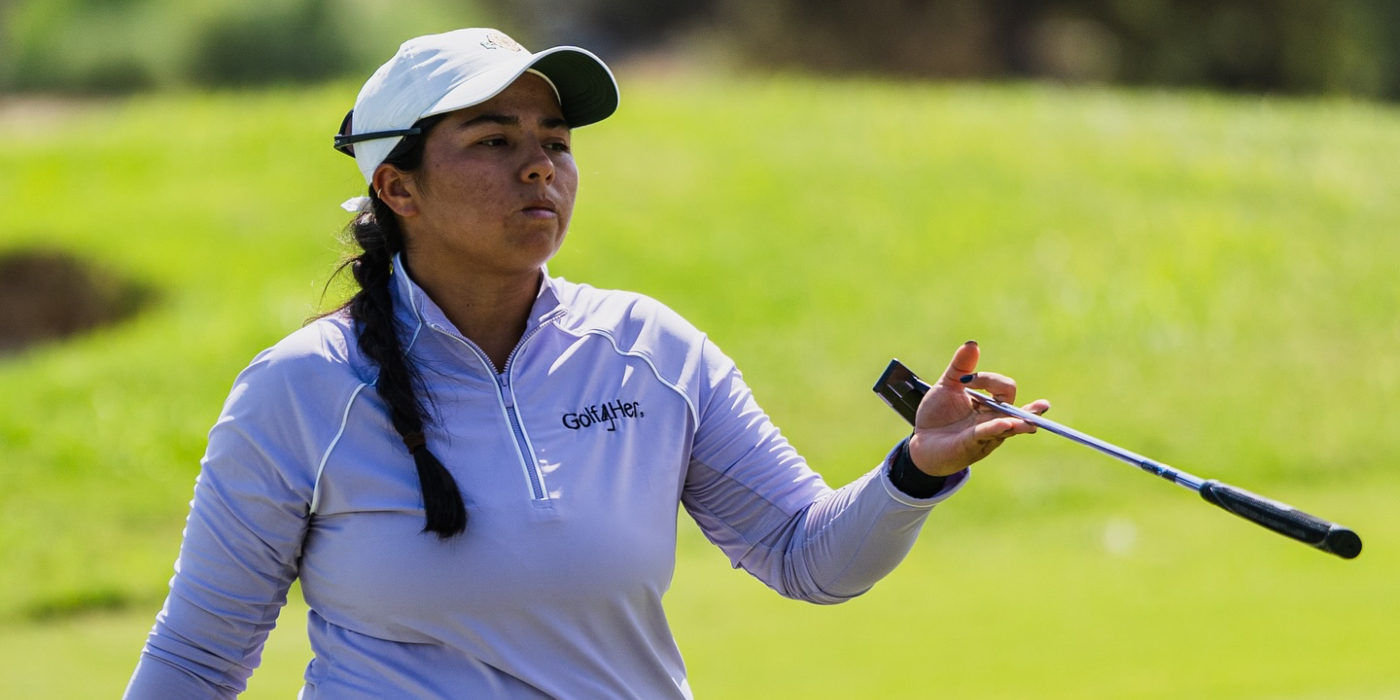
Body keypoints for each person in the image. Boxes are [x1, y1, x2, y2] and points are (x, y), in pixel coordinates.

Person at [124, 27, 1049, 699]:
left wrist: (916, 472)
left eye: (556, 145)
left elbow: (808, 558)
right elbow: (199, 660)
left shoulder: (651, 352)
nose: (541, 169)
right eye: (495, 141)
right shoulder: (300, 390)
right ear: (395, 185)